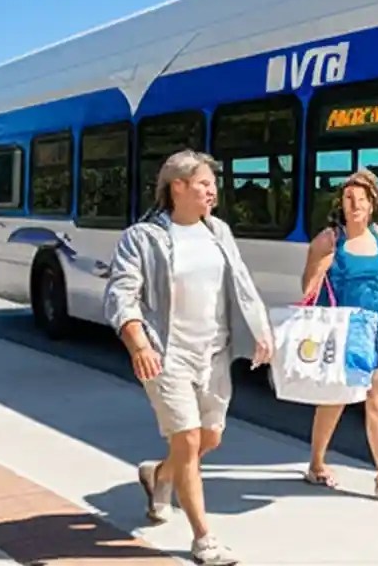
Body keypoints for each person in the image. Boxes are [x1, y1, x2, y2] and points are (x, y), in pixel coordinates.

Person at [104, 149, 273, 565]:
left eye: (213, 185)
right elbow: (120, 294)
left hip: (213, 355)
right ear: (177, 187)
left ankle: (158, 476)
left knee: (210, 438)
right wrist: (139, 342)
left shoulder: (219, 232)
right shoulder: (142, 238)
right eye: (203, 184)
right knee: (189, 439)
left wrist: (261, 331)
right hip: (166, 356)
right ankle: (203, 538)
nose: (212, 191)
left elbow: (243, 285)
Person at [300, 169, 378, 504]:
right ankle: (317, 463)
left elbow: (377, 274)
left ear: (371, 204)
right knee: (335, 399)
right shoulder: (329, 239)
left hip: (376, 329)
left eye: (360, 200)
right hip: (342, 330)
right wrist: (319, 267)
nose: (354, 205)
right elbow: (307, 288)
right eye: (348, 199)